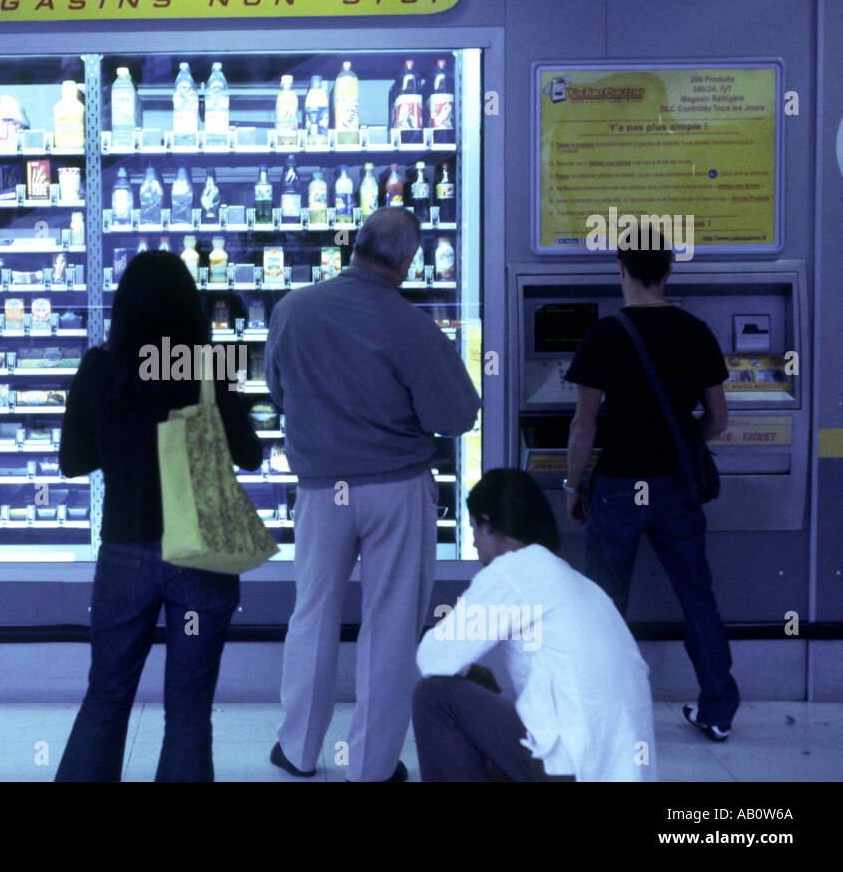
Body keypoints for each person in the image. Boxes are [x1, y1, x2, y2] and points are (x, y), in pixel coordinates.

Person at [265, 207, 481, 782]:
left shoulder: (292, 310)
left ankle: (297, 749)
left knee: (313, 614)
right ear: (407, 261)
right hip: (395, 489)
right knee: (391, 628)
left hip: (321, 491)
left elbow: (278, 394)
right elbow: (457, 416)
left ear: (354, 245)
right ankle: (371, 766)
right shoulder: (413, 326)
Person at [55, 251, 262, 782]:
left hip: (125, 551)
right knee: (188, 713)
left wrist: (122, 443)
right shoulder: (206, 364)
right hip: (200, 551)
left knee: (106, 698)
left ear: (124, 305)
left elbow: (73, 461)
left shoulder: (99, 367)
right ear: (189, 304)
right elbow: (250, 455)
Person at [563, 235, 739, 742]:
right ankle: (717, 710)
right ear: (668, 272)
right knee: (697, 598)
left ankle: (603, 711)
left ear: (621, 268)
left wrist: (572, 486)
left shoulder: (603, 335)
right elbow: (719, 420)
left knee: (604, 603)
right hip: (675, 486)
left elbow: (583, 426)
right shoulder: (696, 332)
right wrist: (683, 443)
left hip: (618, 485)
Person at [414, 468, 657, 782]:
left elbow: (431, 658)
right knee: (488, 693)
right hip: (622, 771)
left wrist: (469, 671)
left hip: (572, 769)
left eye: (474, 528)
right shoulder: (580, 584)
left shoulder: (512, 570)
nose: (473, 542)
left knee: (434, 696)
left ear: (487, 523)